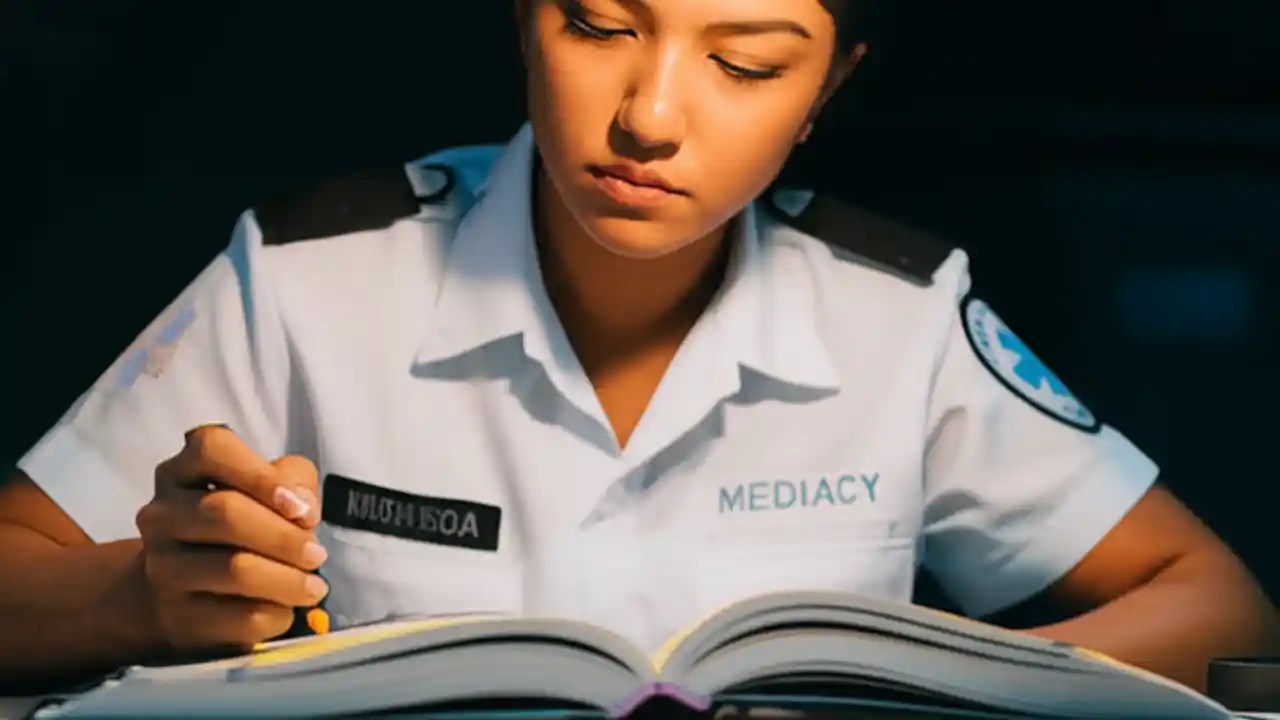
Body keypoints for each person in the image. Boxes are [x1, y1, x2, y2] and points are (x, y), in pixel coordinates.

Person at [1, 0, 1275, 696]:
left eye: (743, 62)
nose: (648, 117)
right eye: (599, 25)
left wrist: (946, 700)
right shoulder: (306, 276)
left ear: (825, 91)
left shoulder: (895, 314)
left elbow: (1219, 608)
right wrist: (142, 599)